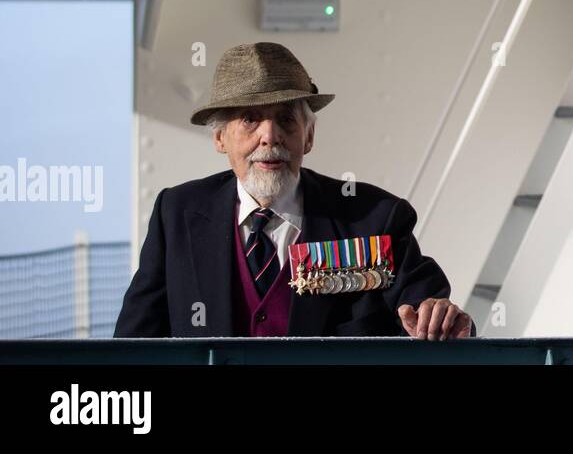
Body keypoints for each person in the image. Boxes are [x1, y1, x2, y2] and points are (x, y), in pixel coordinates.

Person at [114, 41, 474, 339]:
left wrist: (445, 320)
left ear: (309, 135)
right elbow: (132, 346)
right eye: (250, 119)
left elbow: (433, 314)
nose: (270, 136)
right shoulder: (176, 213)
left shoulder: (374, 218)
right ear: (221, 137)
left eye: (286, 119)